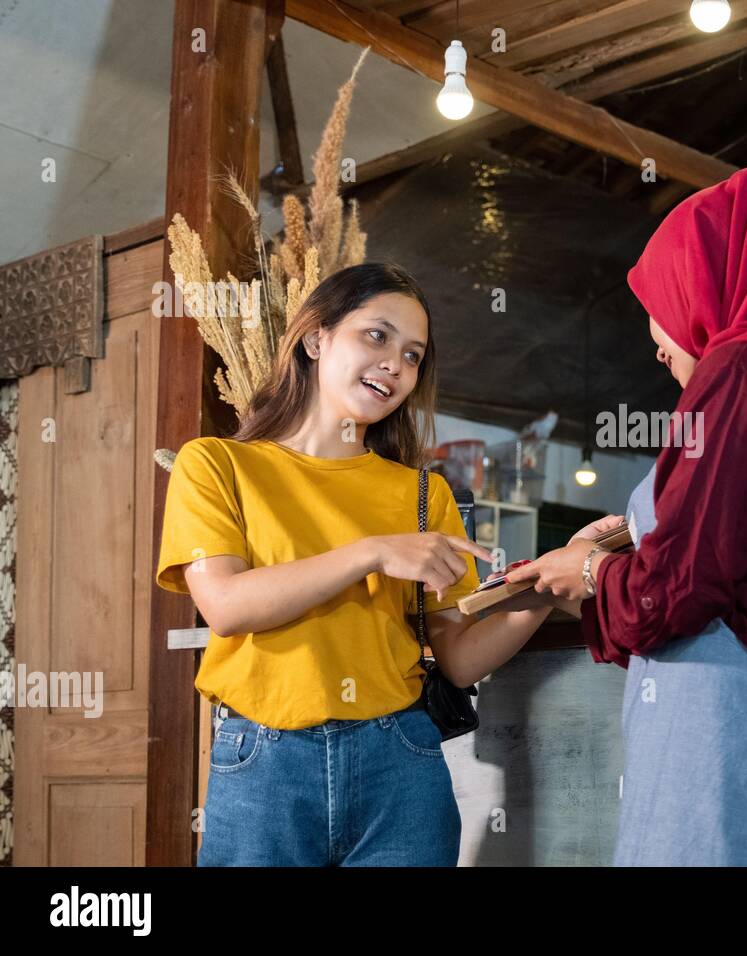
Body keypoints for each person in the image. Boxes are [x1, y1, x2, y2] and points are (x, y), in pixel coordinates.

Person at [509, 165, 747, 866]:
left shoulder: (743, 370)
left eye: (665, 293)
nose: (656, 339)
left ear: (714, 274)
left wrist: (590, 571)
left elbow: (675, 595)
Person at [155, 263, 554, 866]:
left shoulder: (426, 496)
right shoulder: (216, 465)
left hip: (401, 763)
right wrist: (372, 551)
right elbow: (228, 606)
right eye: (377, 336)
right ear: (316, 339)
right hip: (264, 762)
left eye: (413, 355)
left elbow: (458, 658)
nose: (396, 363)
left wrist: (539, 596)